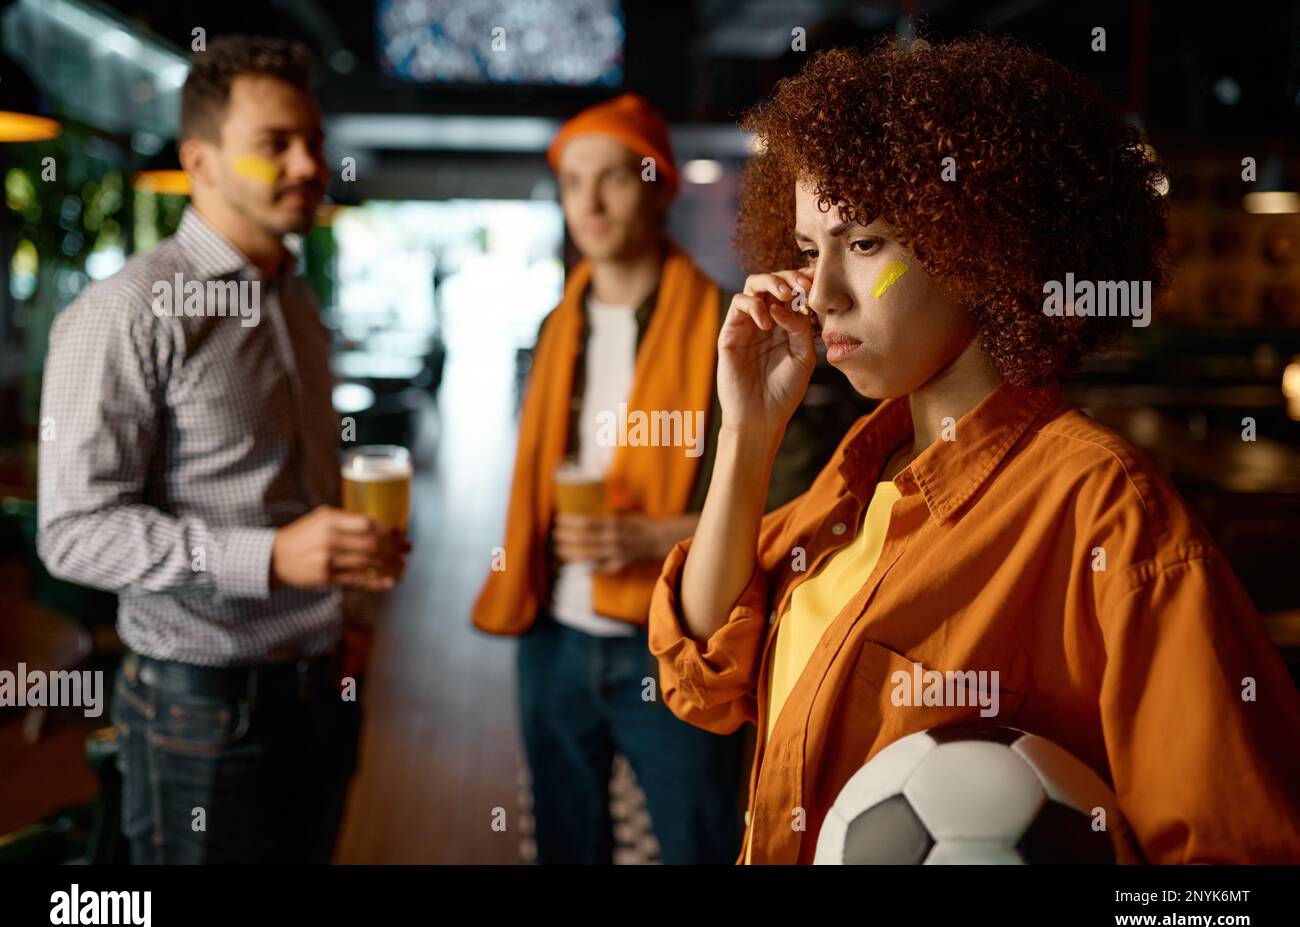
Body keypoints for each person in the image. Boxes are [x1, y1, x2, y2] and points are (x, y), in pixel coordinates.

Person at [648, 36, 1300, 864]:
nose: (819, 293)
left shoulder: (1107, 515)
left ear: (980, 246)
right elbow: (702, 680)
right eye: (811, 251)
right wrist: (745, 431)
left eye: (867, 244)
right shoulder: (861, 476)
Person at [37, 35, 406, 864]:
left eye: (312, 140)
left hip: (321, 684)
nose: (310, 164)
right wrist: (271, 556)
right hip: (198, 711)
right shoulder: (126, 312)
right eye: (275, 144)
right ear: (199, 161)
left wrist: (344, 594)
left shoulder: (295, 298)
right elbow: (70, 534)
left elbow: (289, 487)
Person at [472, 93, 855, 864]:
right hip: (552, 636)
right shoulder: (557, 323)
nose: (591, 200)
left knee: (699, 843)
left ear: (659, 185)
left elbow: (794, 502)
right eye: (574, 181)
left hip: (672, 642)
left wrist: (651, 535)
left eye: (614, 176)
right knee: (565, 844)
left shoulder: (734, 326)